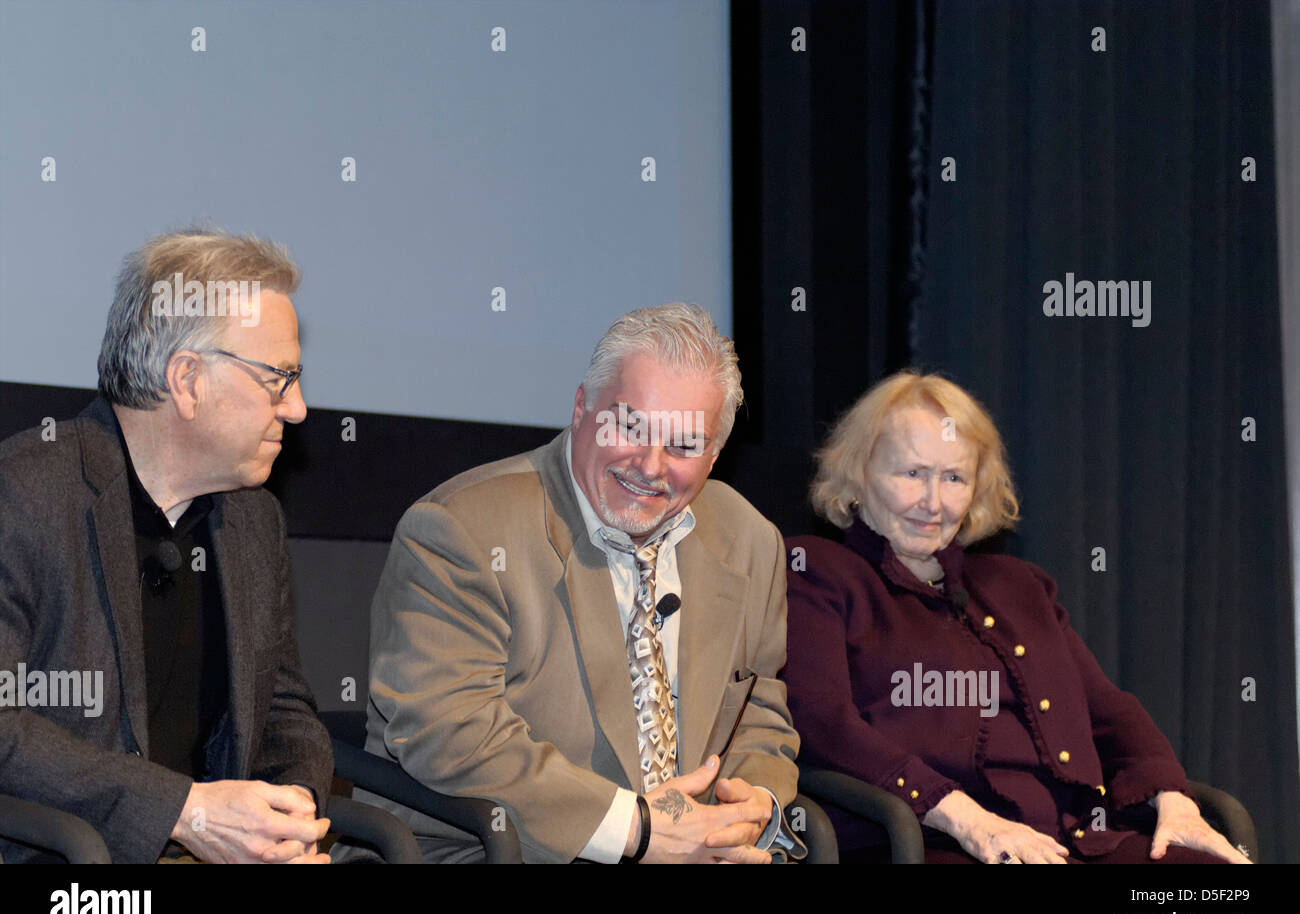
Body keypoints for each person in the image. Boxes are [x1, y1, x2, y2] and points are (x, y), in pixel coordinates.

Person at [344, 303, 803, 863]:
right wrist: (638, 832)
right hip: (486, 850)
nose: (651, 466)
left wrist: (747, 808)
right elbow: (448, 733)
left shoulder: (751, 540)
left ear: (715, 453)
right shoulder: (460, 530)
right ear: (582, 407)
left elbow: (756, 709)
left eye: (684, 445)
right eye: (631, 426)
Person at [783, 370, 1249, 864]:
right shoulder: (815, 572)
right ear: (859, 473)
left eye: (955, 478)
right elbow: (822, 723)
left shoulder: (1020, 587)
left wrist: (1173, 799)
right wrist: (967, 819)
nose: (933, 502)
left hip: (1075, 842)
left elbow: (1108, 712)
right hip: (928, 843)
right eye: (912, 473)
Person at [0, 229, 333, 864]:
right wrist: (187, 811)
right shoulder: (23, 497)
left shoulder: (252, 520)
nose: (298, 408)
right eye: (279, 377)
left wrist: (286, 814)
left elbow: (284, 706)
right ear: (186, 380)